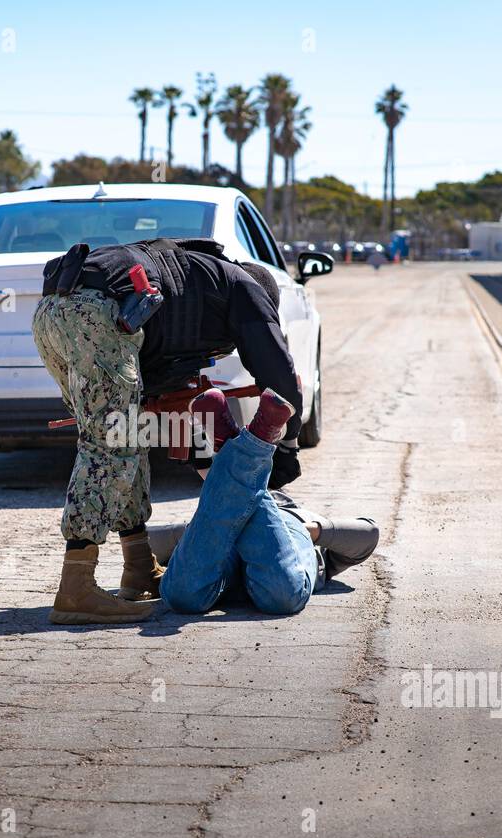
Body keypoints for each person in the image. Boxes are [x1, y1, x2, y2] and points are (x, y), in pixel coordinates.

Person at [33, 238, 303, 625]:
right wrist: (287, 443)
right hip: (94, 313)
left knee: (132, 435)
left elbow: (160, 380)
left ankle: (139, 567)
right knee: (113, 442)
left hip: (52, 312)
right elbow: (278, 371)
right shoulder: (246, 288)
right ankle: (75, 589)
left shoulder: (196, 283)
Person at [152, 387, 379, 615]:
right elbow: (369, 536)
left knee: (282, 594)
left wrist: (307, 531)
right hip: (226, 554)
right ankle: (252, 444)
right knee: (180, 597)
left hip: (267, 524)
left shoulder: (297, 519)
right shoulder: (276, 510)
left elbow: (370, 534)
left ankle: (236, 445)